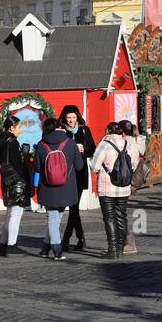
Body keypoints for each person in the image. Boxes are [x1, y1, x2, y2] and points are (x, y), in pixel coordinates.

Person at [90, 120, 141, 259]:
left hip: (107, 187)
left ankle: (112, 249)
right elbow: (134, 164)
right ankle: (120, 248)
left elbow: (94, 166)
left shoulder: (105, 144)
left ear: (108, 131)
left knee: (109, 218)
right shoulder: (128, 144)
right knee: (121, 216)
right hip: (124, 187)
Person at [35, 117, 84, 261]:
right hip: (66, 186)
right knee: (57, 218)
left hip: (48, 186)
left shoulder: (41, 144)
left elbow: (37, 168)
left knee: (52, 218)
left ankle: (47, 248)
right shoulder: (70, 143)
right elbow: (79, 166)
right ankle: (57, 251)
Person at [58, 105, 96, 252]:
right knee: (73, 207)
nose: (71, 121)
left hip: (79, 173)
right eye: (69, 118)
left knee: (73, 206)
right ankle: (76, 239)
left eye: (74, 117)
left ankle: (71, 239)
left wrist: (84, 149)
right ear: (64, 118)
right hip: (65, 173)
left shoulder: (84, 130)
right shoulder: (61, 132)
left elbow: (93, 149)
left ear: (78, 117)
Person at [0, 114, 30, 256]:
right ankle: (11, 244)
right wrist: (24, 156)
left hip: (6, 181)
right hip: (16, 181)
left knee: (9, 214)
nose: (21, 130)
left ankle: (3, 245)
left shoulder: (1, 140)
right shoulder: (12, 141)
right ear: (11, 128)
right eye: (19, 127)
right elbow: (18, 164)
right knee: (15, 214)